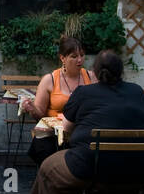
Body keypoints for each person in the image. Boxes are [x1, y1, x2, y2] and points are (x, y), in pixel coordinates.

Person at [25, 51, 144, 194]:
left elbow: (66, 129)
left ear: (94, 72)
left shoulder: (84, 93)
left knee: (47, 168)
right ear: (121, 72)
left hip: (91, 167)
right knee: (113, 165)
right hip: (140, 169)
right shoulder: (137, 92)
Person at [21, 36, 94, 164]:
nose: (79, 60)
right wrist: (32, 108)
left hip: (83, 133)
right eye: (74, 56)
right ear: (62, 58)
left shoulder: (91, 77)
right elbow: (40, 114)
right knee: (44, 146)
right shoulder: (50, 80)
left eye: (82, 55)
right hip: (53, 135)